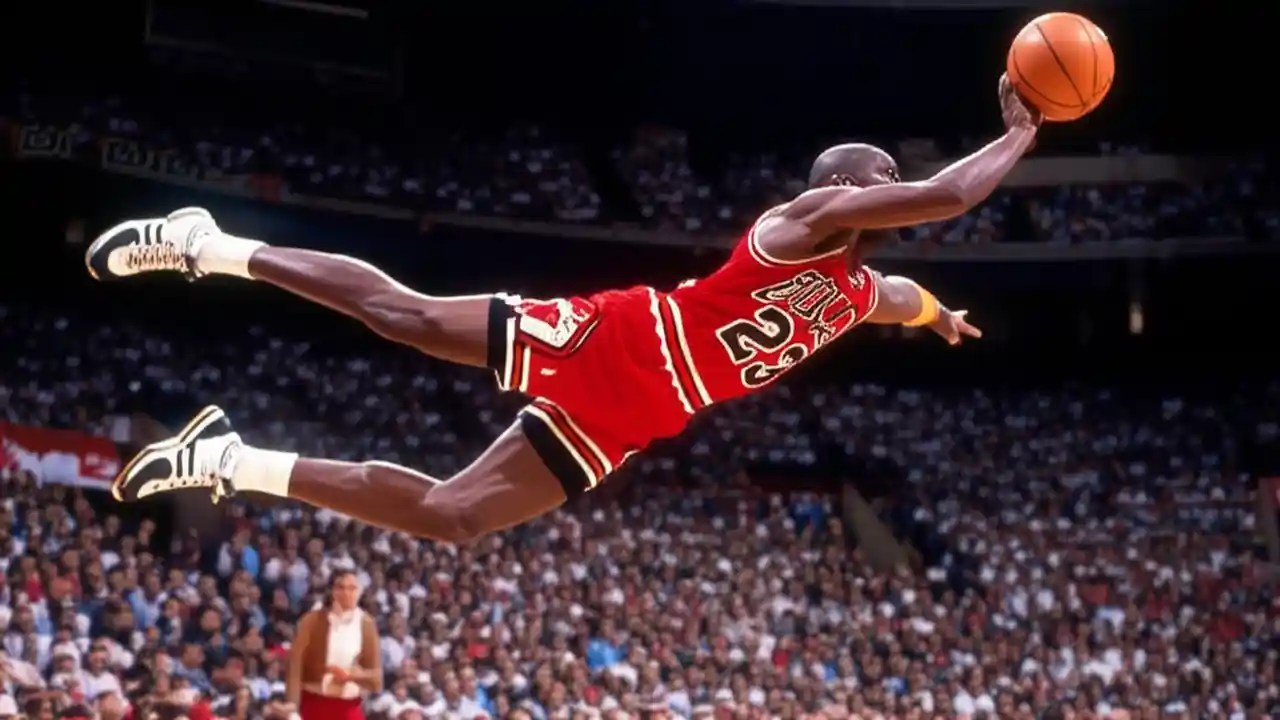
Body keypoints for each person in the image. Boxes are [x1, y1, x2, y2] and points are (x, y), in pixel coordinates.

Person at [87, 74, 1039, 543]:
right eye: (885, 182)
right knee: (407, 318)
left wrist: (940, 317)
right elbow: (949, 198)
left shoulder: (861, 289)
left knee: (454, 518)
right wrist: (1020, 132)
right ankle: (209, 243)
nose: (892, 191)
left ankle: (223, 457)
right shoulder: (803, 220)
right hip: (622, 340)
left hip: (636, 415)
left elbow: (905, 297)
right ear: (853, 186)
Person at [288, 569, 381, 720]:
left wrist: (351, 676)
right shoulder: (311, 621)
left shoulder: (366, 624)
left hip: (348, 707)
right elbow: (295, 667)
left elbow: (376, 679)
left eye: (352, 588)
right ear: (331, 591)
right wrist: (292, 709)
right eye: (341, 587)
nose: (346, 593)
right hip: (314, 704)